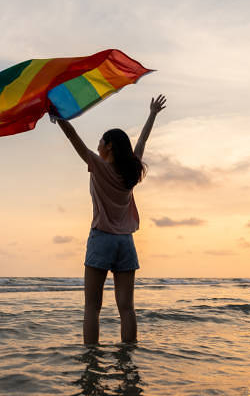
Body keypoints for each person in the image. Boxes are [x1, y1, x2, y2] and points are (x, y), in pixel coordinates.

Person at [54, 95, 167, 345]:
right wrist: (152, 114)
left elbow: (73, 137)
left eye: (101, 141)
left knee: (92, 308)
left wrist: (58, 116)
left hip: (102, 238)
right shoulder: (132, 172)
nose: (97, 145)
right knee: (127, 309)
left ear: (109, 147)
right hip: (125, 243)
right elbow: (143, 141)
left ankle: (92, 361)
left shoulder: (98, 166)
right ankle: (128, 359)